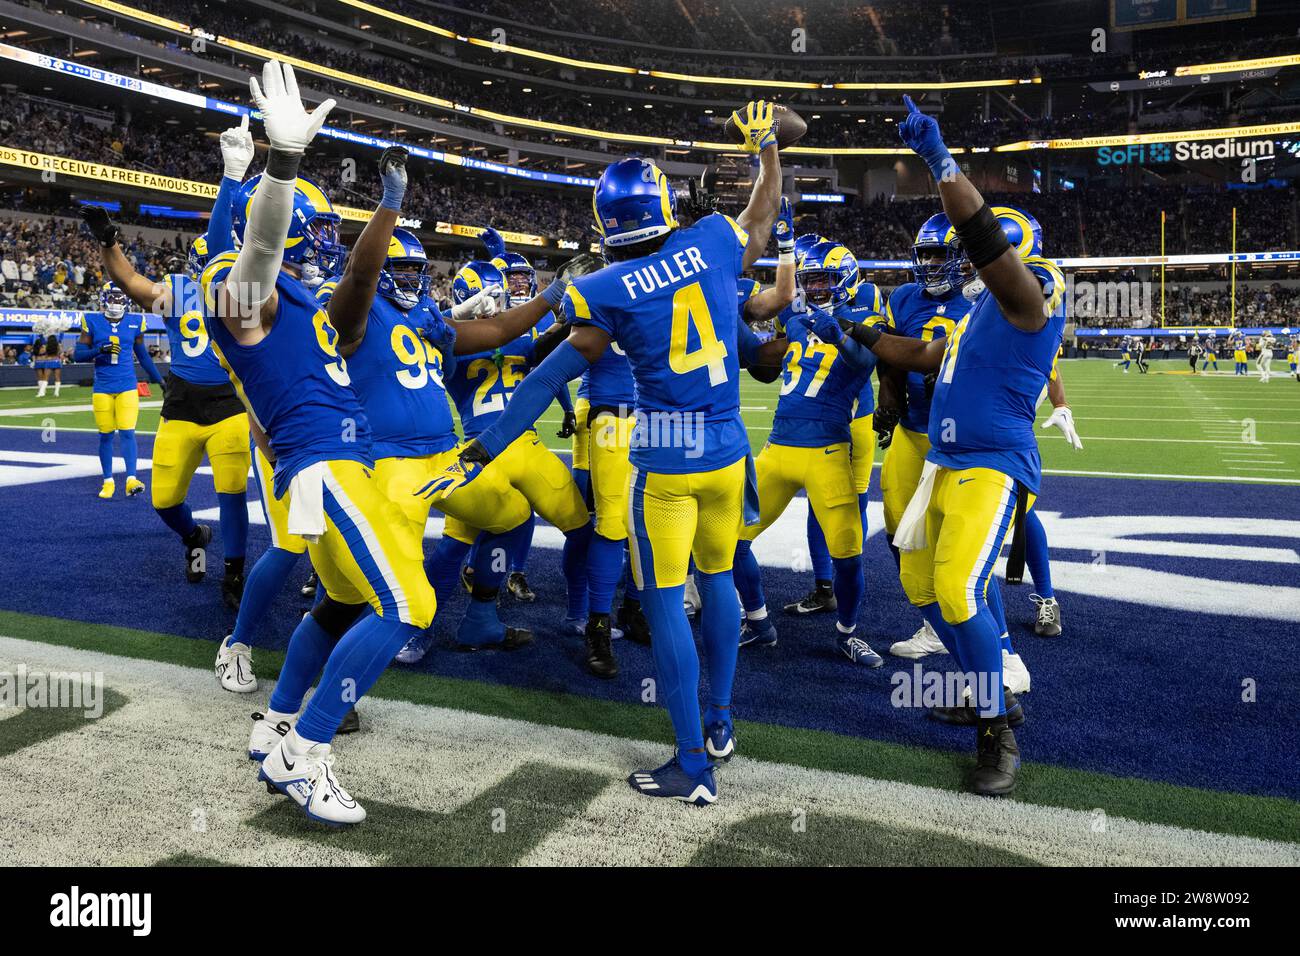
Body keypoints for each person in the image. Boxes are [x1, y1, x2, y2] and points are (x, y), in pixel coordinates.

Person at [419, 101, 785, 805]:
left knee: (665, 604)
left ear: (606, 224)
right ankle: (720, 721)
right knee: (717, 586)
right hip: (728, 450)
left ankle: (691, 766)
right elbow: (765, 215)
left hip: (666, 462)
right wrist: (767, 149)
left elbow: (549, 375)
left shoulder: (603, 288)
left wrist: (485, 445)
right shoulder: (710, 237)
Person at [204, 60, 430, 826]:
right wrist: (282, 165)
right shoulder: (242, 291)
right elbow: (260, 252)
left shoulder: (304, 298)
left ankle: (276, 721)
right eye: (320, 229)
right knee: (408, 603)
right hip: (327, 463)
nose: (327, 242)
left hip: (338, 461)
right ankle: (307, 750)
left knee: (340, 600)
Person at [831, 96, 1067, 796]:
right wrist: (862, 334)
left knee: (961, 588)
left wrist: (939, 162)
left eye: (980, 251)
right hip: (943, 463)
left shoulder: (1030, 296)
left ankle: (998, 727)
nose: (964, 260)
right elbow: (924, 357)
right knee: (919, 583)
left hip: (994, 466)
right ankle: (984, 679)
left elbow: (989, 246)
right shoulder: (973, 317)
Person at [82, 131, 253, 607]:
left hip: (228, 406)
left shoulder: (240, 296)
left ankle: (235, 572)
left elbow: (219, 244)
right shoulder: (181, 292)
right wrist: (109, 241)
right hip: (181, 405)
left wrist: (231, 179)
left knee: (232, 492)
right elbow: (129, 279)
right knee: (163, 499)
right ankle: (194, 536)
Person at [733, 238, 884, 666]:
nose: (817, 288)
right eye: (811, 280)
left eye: (825, 280)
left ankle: (847, 633)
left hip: (828, 451)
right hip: (779, 448)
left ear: (847, 279)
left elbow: (862, 361)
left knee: (849, 555)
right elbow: (759, 355)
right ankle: (759, 622)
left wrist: (838, 335)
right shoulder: (794, 322)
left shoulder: (866, 318)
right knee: (730, 541)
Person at [75, 281, 164, 499]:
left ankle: (131, 479)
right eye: (112, 297)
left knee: (127, 431)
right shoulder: (92, 321)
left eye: (119, 297)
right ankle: (108, 481)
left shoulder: (135, 321)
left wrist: (160, 381)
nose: (116, 301)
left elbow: (143, 356)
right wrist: (98, 350)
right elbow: (77, 355)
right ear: (103, 299)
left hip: (126, 385)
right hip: (103, 387)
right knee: (105, 435)